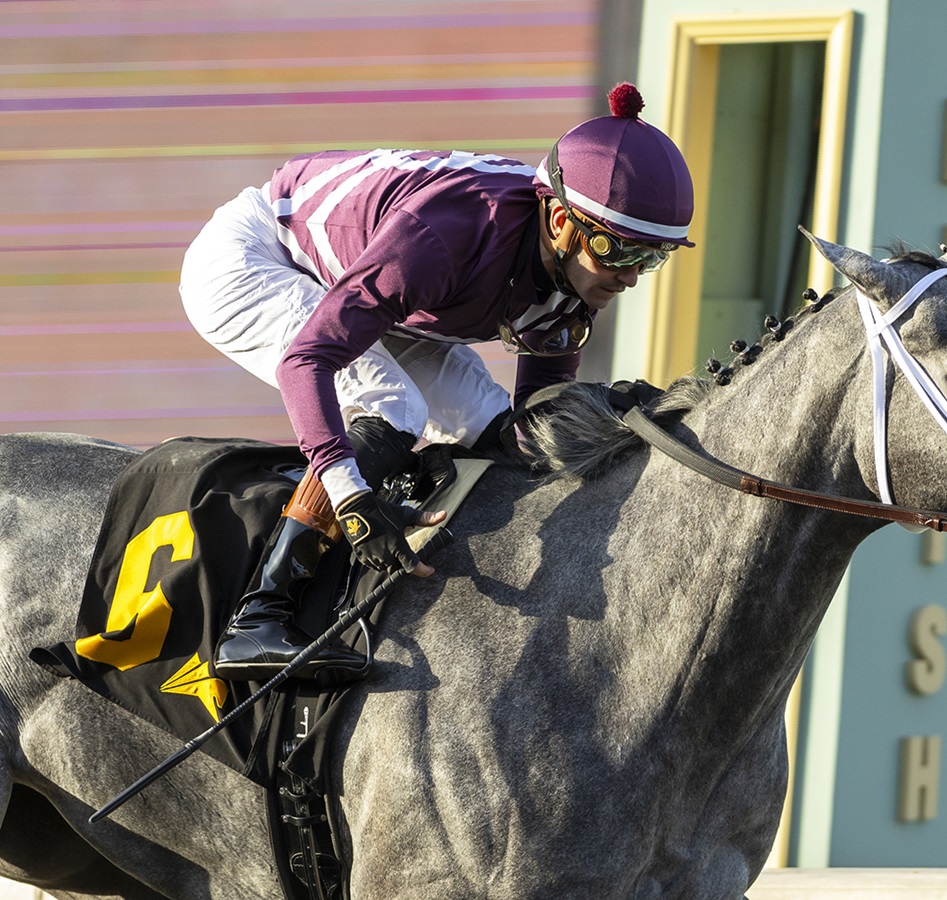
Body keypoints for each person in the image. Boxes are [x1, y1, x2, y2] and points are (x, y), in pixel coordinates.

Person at [178, 83, 694, 680]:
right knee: (389, 401)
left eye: (649, 259)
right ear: (560, 220)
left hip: (373, 286)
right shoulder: (446, 235)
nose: (628, 279)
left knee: (492, 424)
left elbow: (531, 425)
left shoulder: (573, 269)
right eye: (619, 253)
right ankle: (259, 617)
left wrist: (614, 410)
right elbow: (306, 363)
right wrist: (352, 501)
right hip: (257, 257)